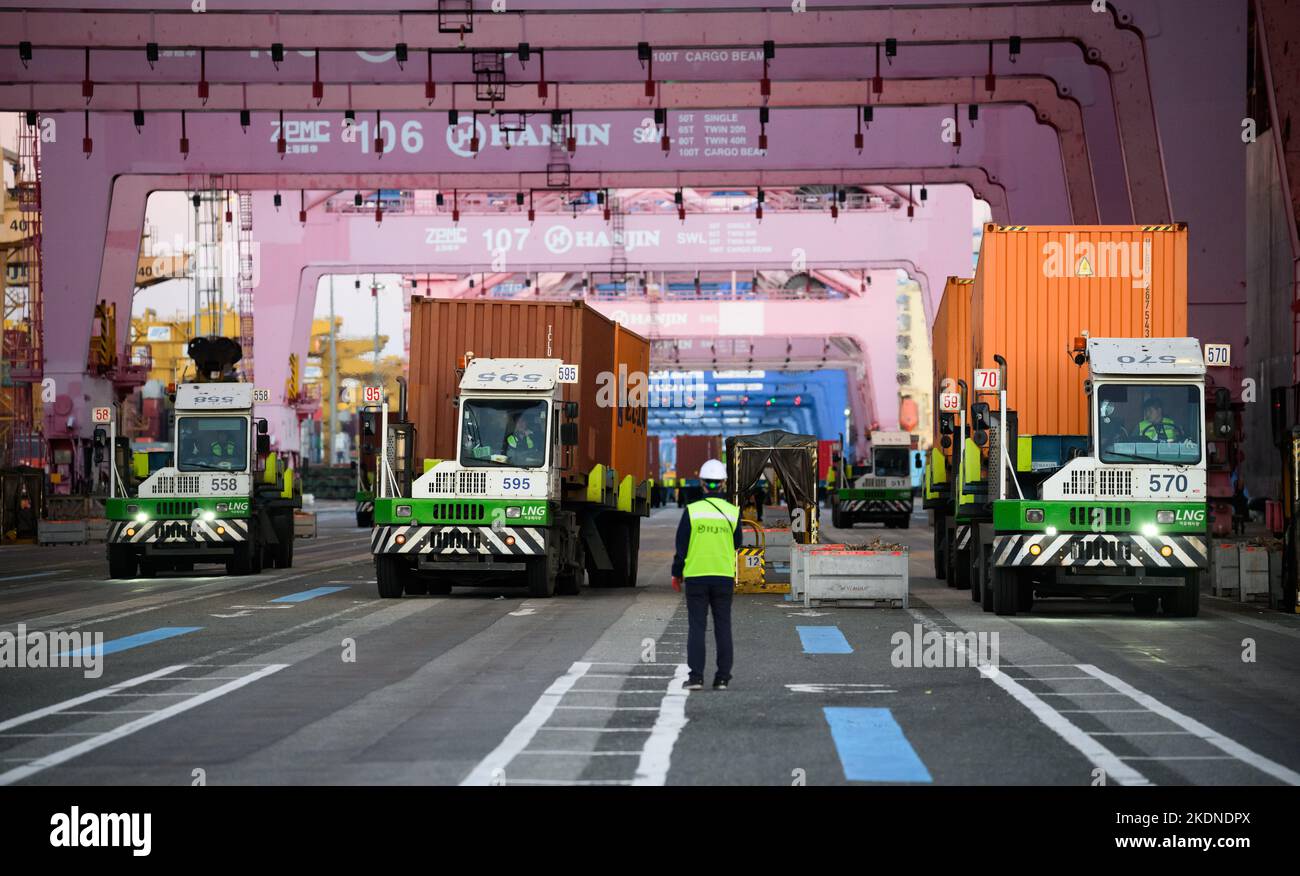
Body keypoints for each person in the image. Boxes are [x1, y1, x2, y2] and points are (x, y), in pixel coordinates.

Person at [670, 458, 742, 691]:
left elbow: (681, 546)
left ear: (702, 483)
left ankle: (696, 678)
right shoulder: (732, 513)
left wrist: (676, 573)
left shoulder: (691, 511)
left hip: (696, 577)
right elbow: (737, 543)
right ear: (723, 483)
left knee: (697, 627)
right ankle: (722, 678)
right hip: (723, 576)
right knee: (723, 627)